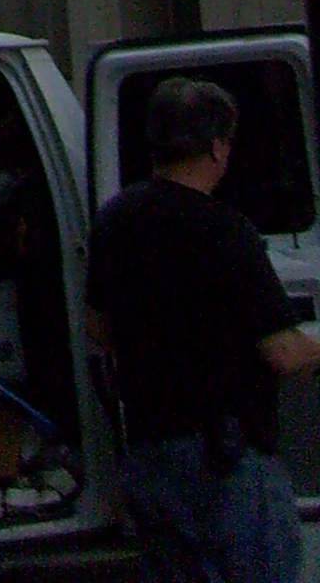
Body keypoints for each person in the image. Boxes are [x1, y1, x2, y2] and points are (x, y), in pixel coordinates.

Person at [86, 73, 320, 582]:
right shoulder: (227, 232)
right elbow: (283, 353)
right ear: (216, 146)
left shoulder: (114, 221)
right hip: (226, 463)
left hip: (151, 454)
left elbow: (98, 327)